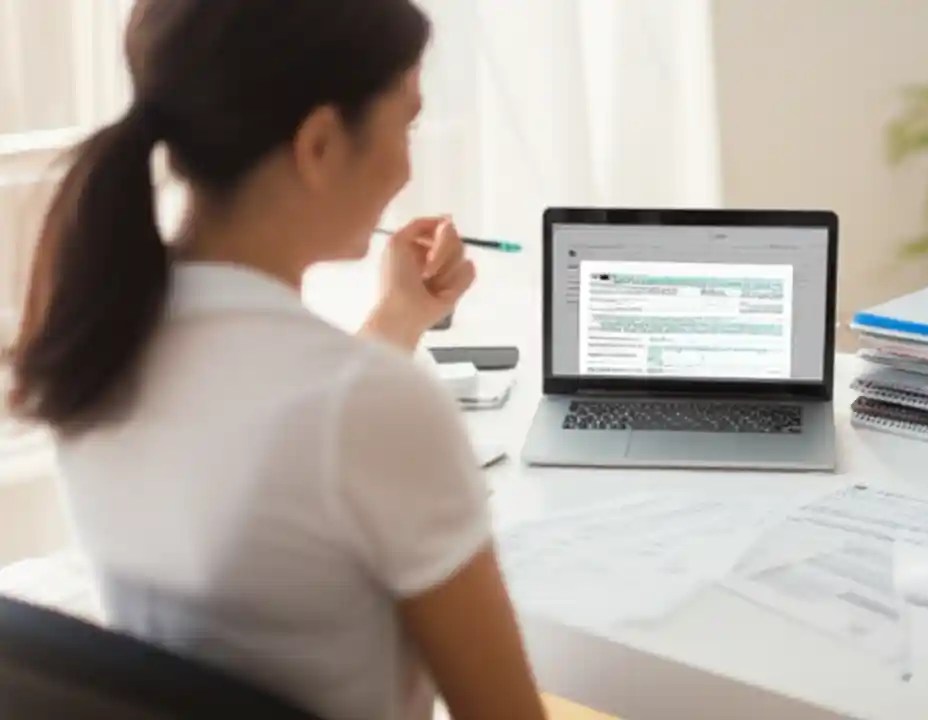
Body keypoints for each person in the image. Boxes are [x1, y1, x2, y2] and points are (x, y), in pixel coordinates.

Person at [6, 1, 545, 718]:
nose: (407, 165)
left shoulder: (97, 343)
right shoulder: (368, 405)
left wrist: (396, 318)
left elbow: (281, 452)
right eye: (405, 124)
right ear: (319, 144)